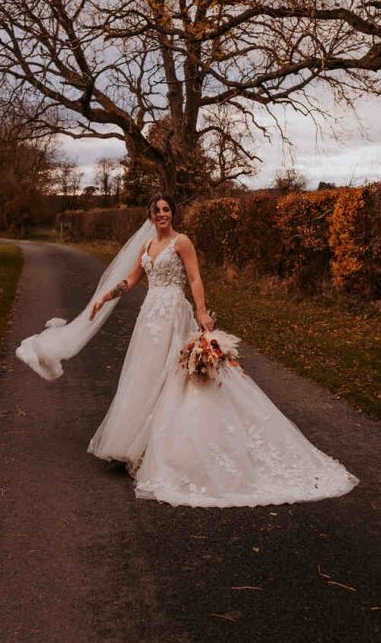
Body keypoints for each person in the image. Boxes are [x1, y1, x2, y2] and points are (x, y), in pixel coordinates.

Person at [80, 192, 360, 508]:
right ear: (149, 215)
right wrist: (105, 297)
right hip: (149, 319)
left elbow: (196, 278)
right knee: (146, 376)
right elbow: (131, 280)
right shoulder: (146, 247)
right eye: (157, 210)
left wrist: (201, 312)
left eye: (167, 209)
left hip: (173, 312)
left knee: (173, 376)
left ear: (173, 213)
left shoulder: (181, 242)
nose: (162, 214)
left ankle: (169, 448)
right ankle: (140, 444)